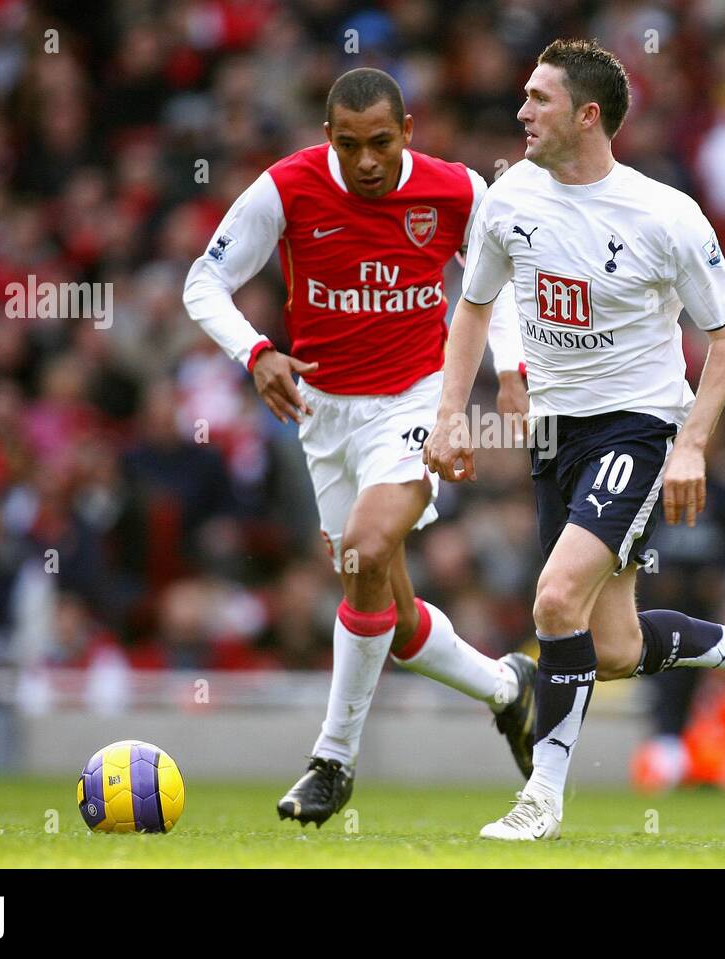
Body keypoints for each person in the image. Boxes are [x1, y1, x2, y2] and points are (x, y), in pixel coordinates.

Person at [424, 39, 725, 841]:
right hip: (554, 433)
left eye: (539, 99)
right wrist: (450, 410)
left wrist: (691, 444)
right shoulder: (508, 200)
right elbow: (474, 306)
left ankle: (542, 799)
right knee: (611, 646)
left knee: (552, 599)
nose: (521, 112)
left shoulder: (664, 215)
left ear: (588, 114)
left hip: (638, 427)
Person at [183, 67, 536, 829]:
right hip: (323, 417)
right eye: (349, 146)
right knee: (390, 613)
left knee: (369, 549)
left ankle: (334, 759)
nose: (367, 161)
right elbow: (203, 284)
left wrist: (510, 371)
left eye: (381, 142)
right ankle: (510, 686)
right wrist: (256, 352)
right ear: (328, 138)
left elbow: (494, 283)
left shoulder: (457, 191)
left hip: (414, 404)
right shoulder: (288, 188)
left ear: (408, 132)